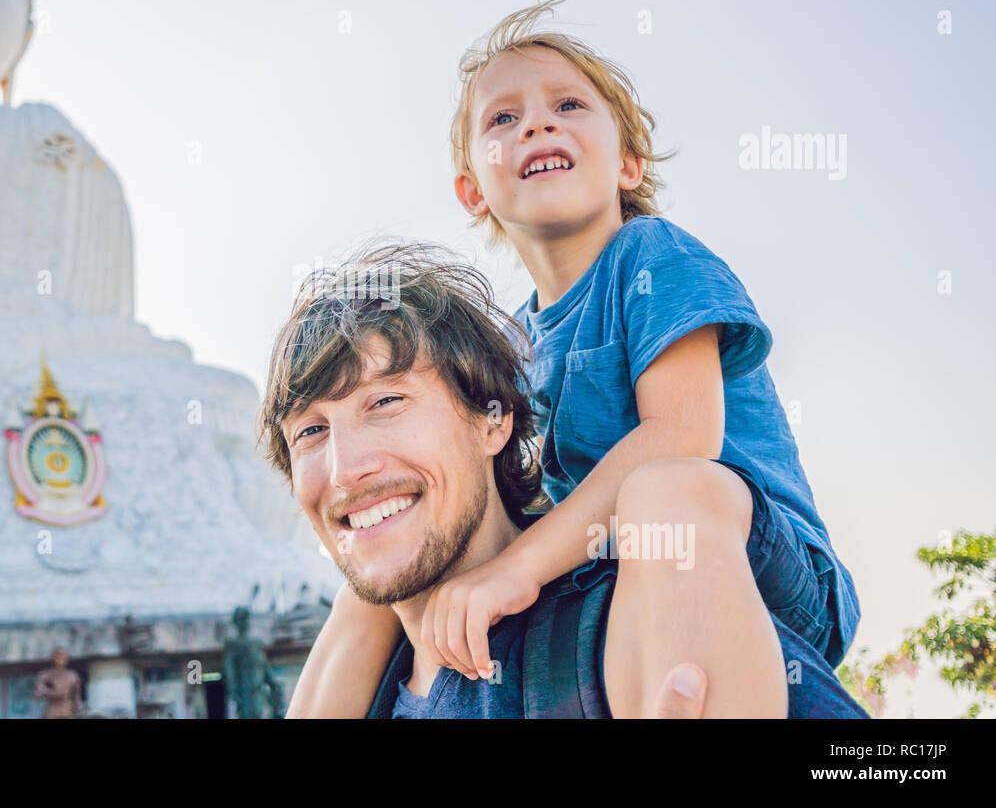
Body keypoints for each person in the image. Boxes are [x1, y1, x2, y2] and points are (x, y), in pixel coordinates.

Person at [260, 244, 865, 717]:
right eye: (310, 432)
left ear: (492, 422)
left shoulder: (644, 624)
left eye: (386, 401)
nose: (345, 468)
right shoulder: (359, 679)